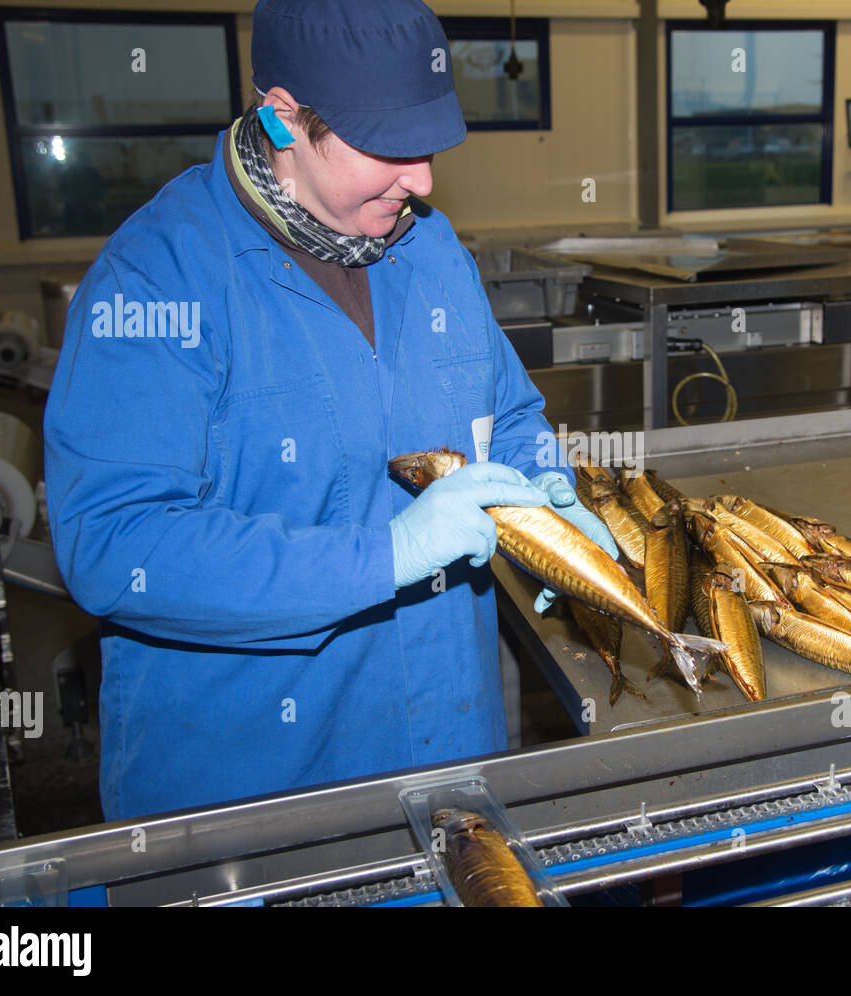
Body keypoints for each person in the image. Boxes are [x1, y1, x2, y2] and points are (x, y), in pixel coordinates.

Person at [43, 0, 616, 820]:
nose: (420, 179)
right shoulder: (159, 279)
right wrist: (386, 556)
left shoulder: (430, 247)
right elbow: (114, 540)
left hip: (455, 757)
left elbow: (511, 415)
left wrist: (551, 502)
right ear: (282, 120)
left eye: (430, 145)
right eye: (388, 146)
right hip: (259, 795)